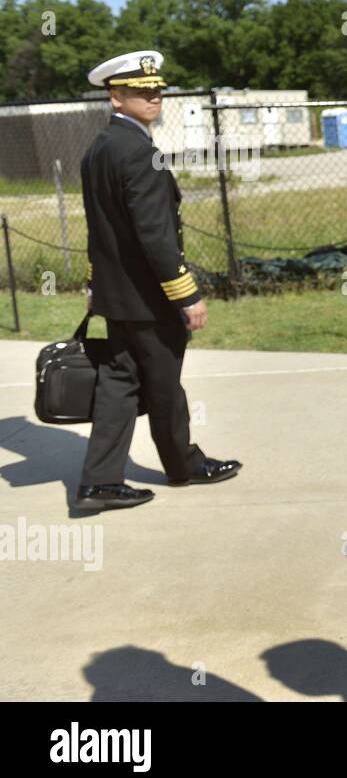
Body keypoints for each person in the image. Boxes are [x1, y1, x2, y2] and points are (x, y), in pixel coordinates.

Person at [77, 50, 242, 511]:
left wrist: (95, 287)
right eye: (141, 91)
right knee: (165, 385)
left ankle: (100, 480)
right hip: (150, 301)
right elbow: (155, 236)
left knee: (119, 384)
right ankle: (183, 465)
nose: (154, 96)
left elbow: (101, 231)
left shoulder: (99, 150)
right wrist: (186, 295)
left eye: (157, 89)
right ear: (115, 97)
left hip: (118, 300)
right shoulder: (138, 152)